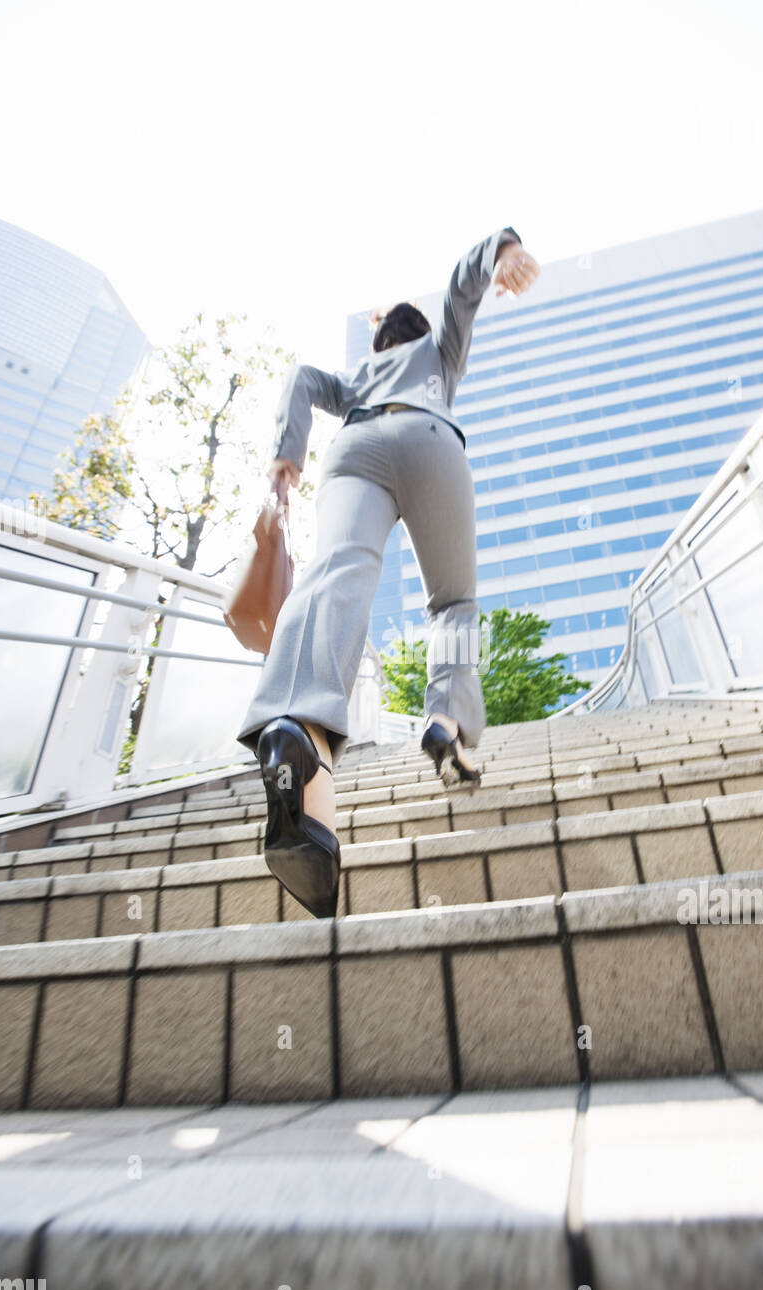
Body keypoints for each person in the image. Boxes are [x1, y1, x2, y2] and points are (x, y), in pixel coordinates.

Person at [236, 227, 541, 918]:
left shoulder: (359, 377)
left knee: (334, 575)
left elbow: (302, 380)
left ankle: (300, 733)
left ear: (379, 342)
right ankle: (448, 725)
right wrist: (504, 247)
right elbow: (462, 289)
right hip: (428, 438)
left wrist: (288, 453)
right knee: (454, 602)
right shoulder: (438, 352)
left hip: (355, 445)